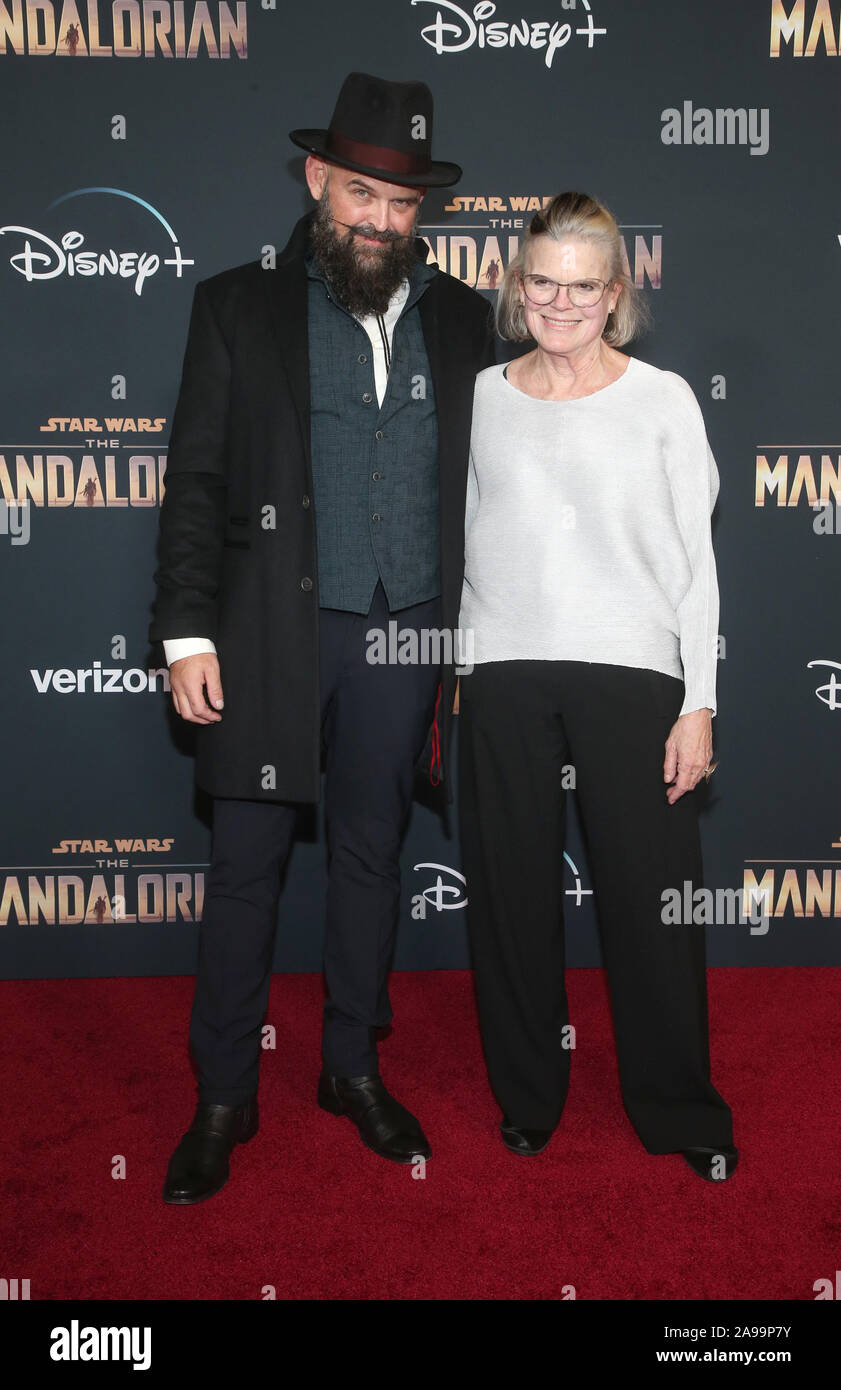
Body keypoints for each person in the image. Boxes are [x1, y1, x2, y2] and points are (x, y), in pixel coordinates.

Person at [149, 72, 495, 1204]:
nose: (379, 221)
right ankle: (221, 1094)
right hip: (263, 639)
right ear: (316, 181)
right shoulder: (234, 306)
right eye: (360, 194)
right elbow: (195, 482)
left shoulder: (461, 318)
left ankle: (350, 1064)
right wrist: (186, 631)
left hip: (406, 637)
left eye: (401, 204)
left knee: (369, 855)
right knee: (244, 867)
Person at [456, 191, 737, 1182]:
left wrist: (696, 699)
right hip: (501, 674)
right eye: (543, 281)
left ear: (615, 291)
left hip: (633, 677)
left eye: (583, 285)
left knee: (651, 902)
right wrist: (456, 674)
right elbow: (464, 544)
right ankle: (528, 1095)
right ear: (516, 282)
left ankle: (678, 1108)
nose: (560, 302)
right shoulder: (481, 394)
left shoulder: (661, 399)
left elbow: (694, 566)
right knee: (509, 901)